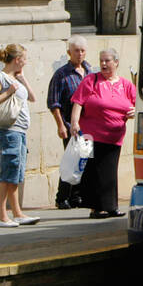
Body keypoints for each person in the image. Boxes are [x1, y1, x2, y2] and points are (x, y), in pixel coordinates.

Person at [70, 48, 137, 219]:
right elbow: (78, 102)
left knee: (109, 170)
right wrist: (75, 122)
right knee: (94, 171)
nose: (103, 64)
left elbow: (137, 105)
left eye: (107, 60)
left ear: (116, 63)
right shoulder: (91, 80)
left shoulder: (126, 85)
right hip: (92, 133)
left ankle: (111, 206)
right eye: (101, 61)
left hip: (114, 136)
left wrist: (134, 112)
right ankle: (96, 208)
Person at [0, 44, 39, 227]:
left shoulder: (15, 78)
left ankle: (17, 213)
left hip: (20, 131)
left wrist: (22, 79)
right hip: (9, 131)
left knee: (16, 173)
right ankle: (2, 216)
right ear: (17, 60)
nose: (26, 61)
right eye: (24, 58)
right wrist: (8, 92)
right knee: (7, 173)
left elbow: (32, 97)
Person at [47, 36, 94, 209]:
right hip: (69, 124)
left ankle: (77, 196)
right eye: (76, 51)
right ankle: (62, 197)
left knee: (84, 161)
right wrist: (60, 125)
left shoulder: (90, 71)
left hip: (88, 125)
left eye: (82, 51)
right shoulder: (61, 74)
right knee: (71, 161)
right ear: (69, 52)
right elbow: (54, 102)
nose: (80, 54)